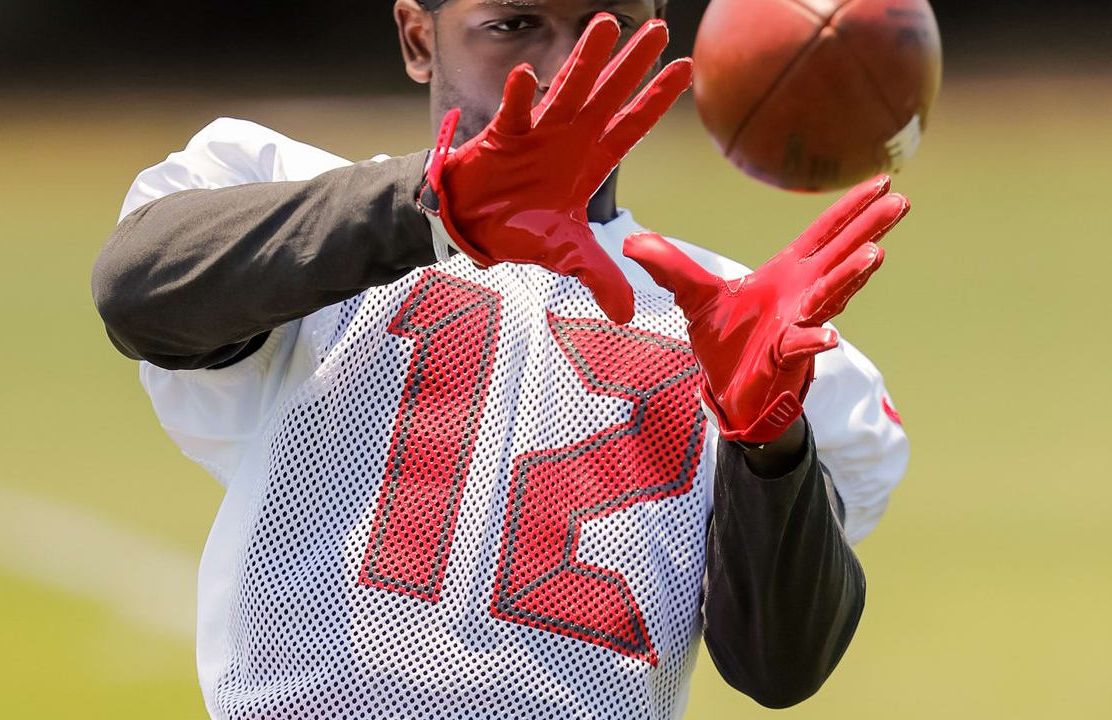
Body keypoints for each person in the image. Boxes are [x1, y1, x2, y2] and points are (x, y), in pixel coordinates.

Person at [90, 2, 910, 718]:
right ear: (418, 37)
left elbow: (779, 667)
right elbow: (139, 292)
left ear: (658, 44)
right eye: (513, 24)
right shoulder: (318, 219)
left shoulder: (731, 311)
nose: (564, 64)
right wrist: (431, 208)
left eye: (611, 27)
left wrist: (768, 442)